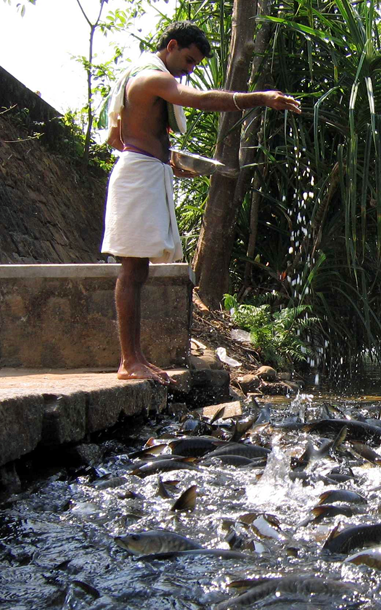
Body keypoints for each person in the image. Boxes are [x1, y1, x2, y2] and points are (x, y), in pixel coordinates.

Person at [99, 21, 301, 383]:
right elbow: (202, 100)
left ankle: (135, 357)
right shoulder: (151, 78)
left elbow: (122, 137)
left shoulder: (145, 77)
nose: (189, 69)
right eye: (188, 60)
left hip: (145, 173)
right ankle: (129, 361)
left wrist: (168, 159)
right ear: (172, 45)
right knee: (132, 270)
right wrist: (260, 98)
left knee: (139, 270)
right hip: (137, 178)